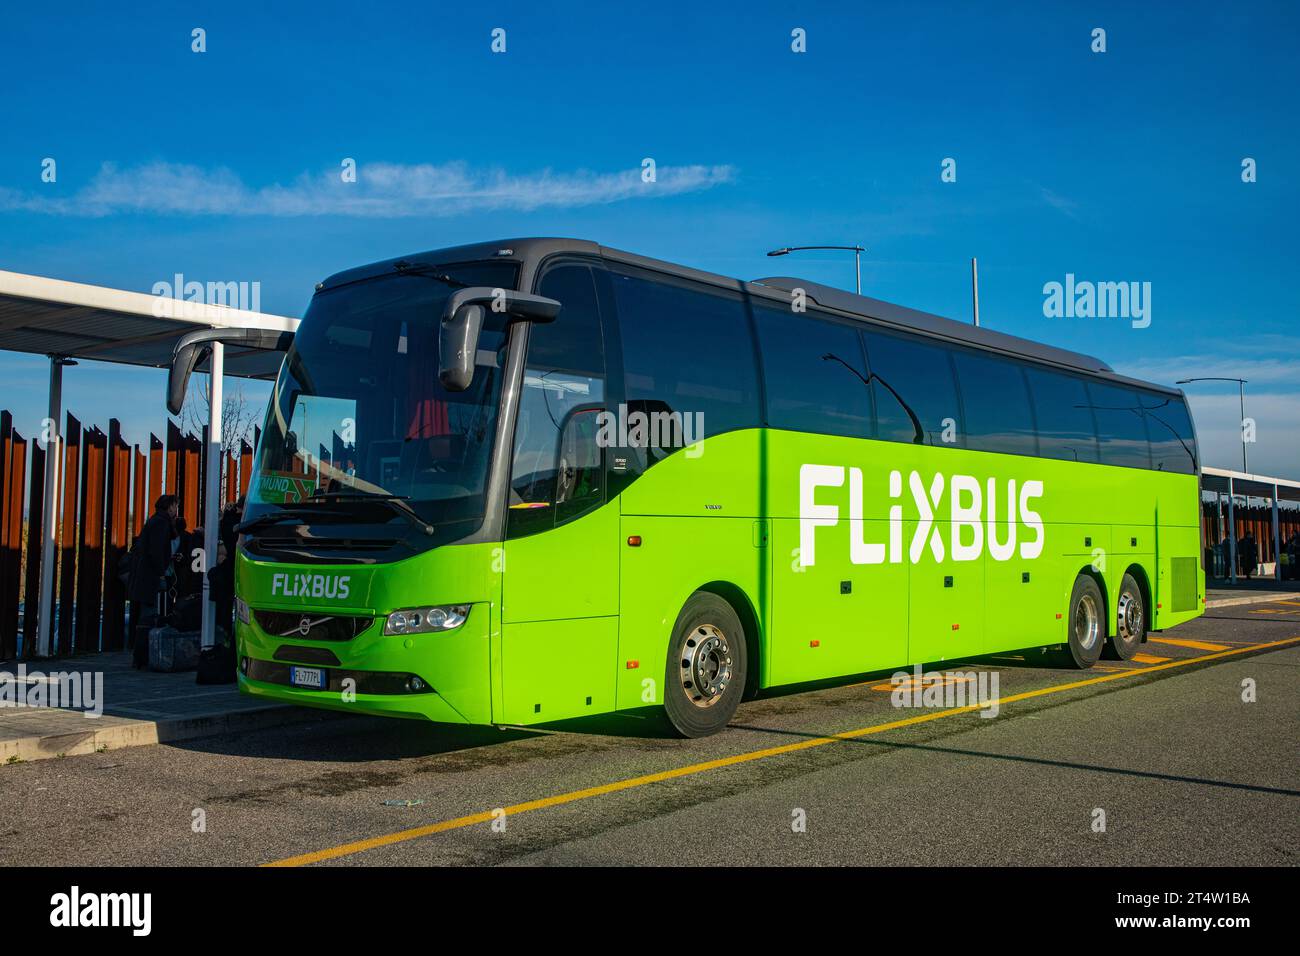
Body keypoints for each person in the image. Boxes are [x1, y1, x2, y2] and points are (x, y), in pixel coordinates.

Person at [128, 494, 178, 669]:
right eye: (175, 506)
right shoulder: (161, 523)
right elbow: (156, 551)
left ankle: (140, 656)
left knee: (147, 615)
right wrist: (161, 572)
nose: (176, 509)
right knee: (148, 616)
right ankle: (141, 657)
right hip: (151, 576)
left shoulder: (154, 521)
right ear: (170, 507)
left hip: (145, 576)